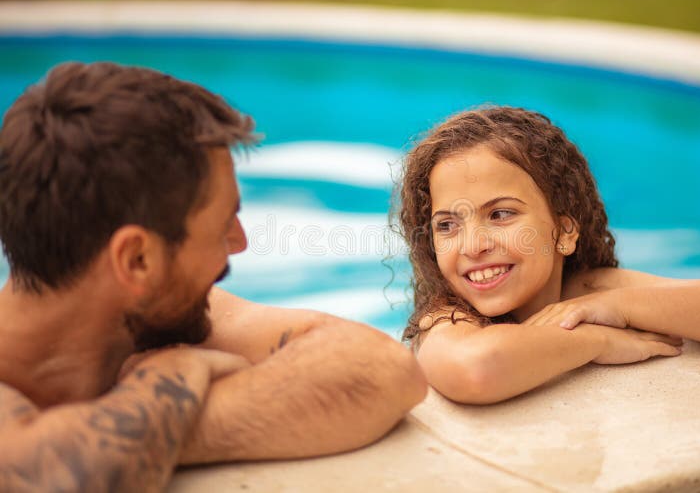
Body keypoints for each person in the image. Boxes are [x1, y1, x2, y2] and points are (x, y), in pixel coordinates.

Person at [0, 62, 427, 492]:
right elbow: (65, 479)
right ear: (137, 260)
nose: (239, 242)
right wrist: (178, 371)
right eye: (224, 221)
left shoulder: (144, 317)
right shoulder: (167, 341)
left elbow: (382, 368)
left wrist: (148, 430)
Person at [396, 106, 700, 405]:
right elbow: (476, 370)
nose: (472, 245)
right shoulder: (447, 315)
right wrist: (595, 341)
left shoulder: (592, 290)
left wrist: (616, 305)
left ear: (565, 232)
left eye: (500, 214)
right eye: (447, 224)